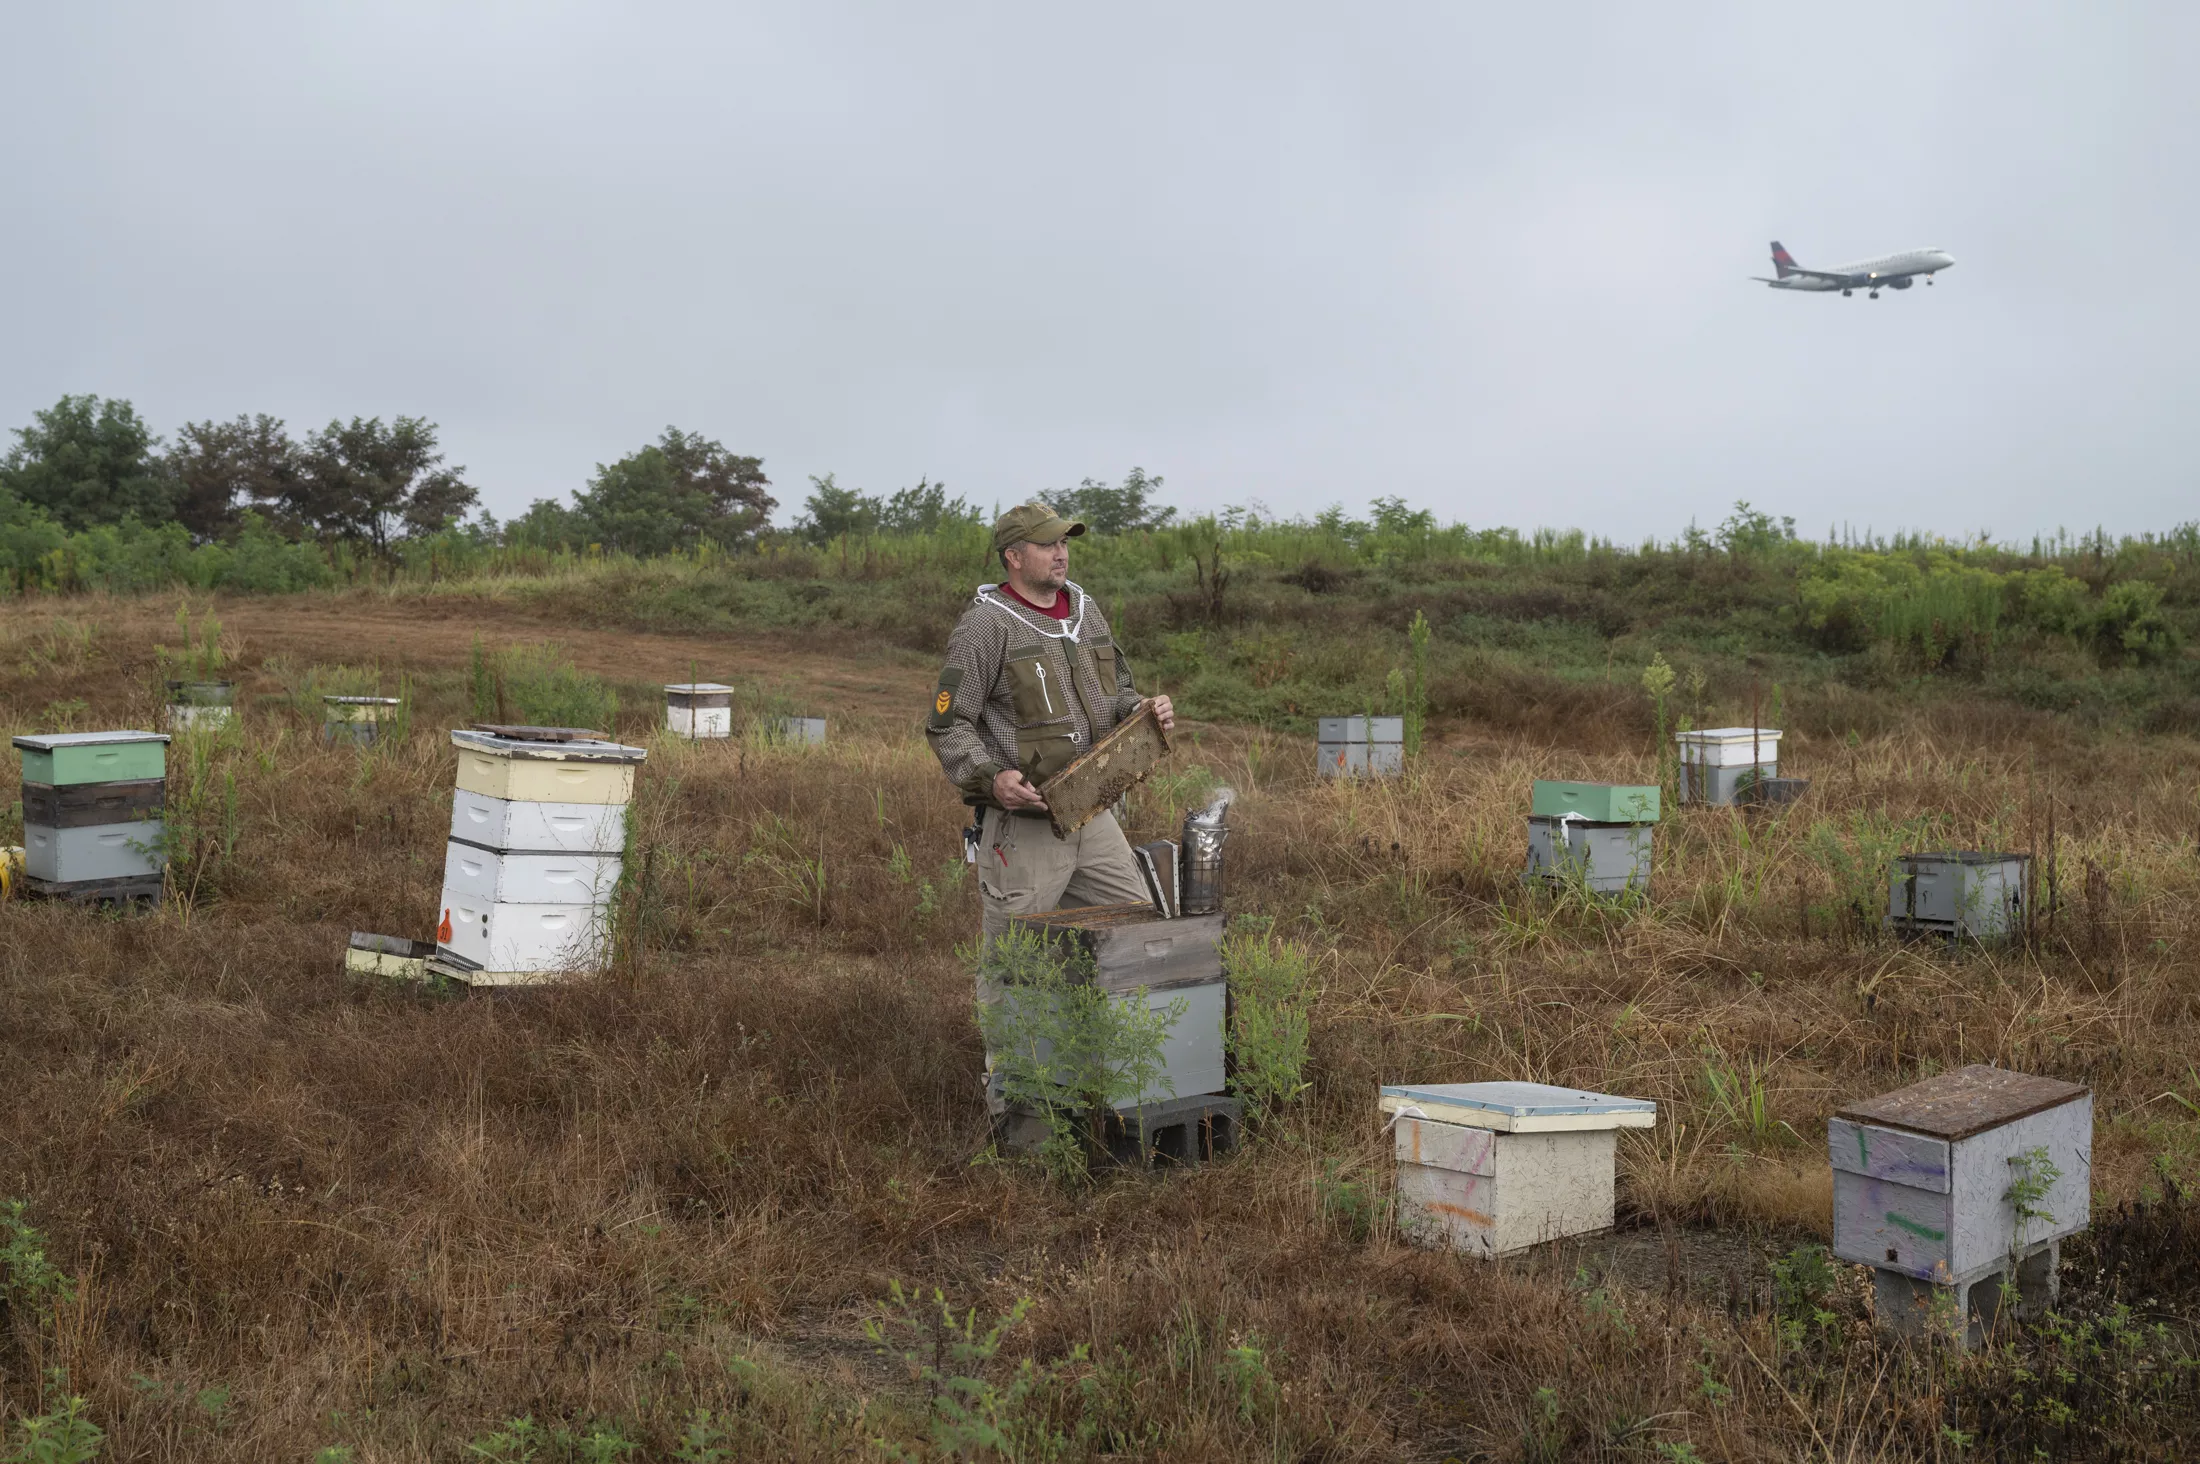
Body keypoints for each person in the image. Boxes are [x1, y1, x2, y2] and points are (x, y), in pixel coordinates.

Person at [926, 501, 1175, 938]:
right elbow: (948, 723)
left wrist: (1140, 711)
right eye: (1047, 545)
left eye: (1063, 542)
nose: (1061, 553)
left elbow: (1113, 692)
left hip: (1093, 815)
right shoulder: (986, 626)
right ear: (1014, 557)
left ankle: (1097, 1011)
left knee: (1135, 933)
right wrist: (991, 778)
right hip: (1024, 833)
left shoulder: (1084, 611)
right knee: (1015, 962)